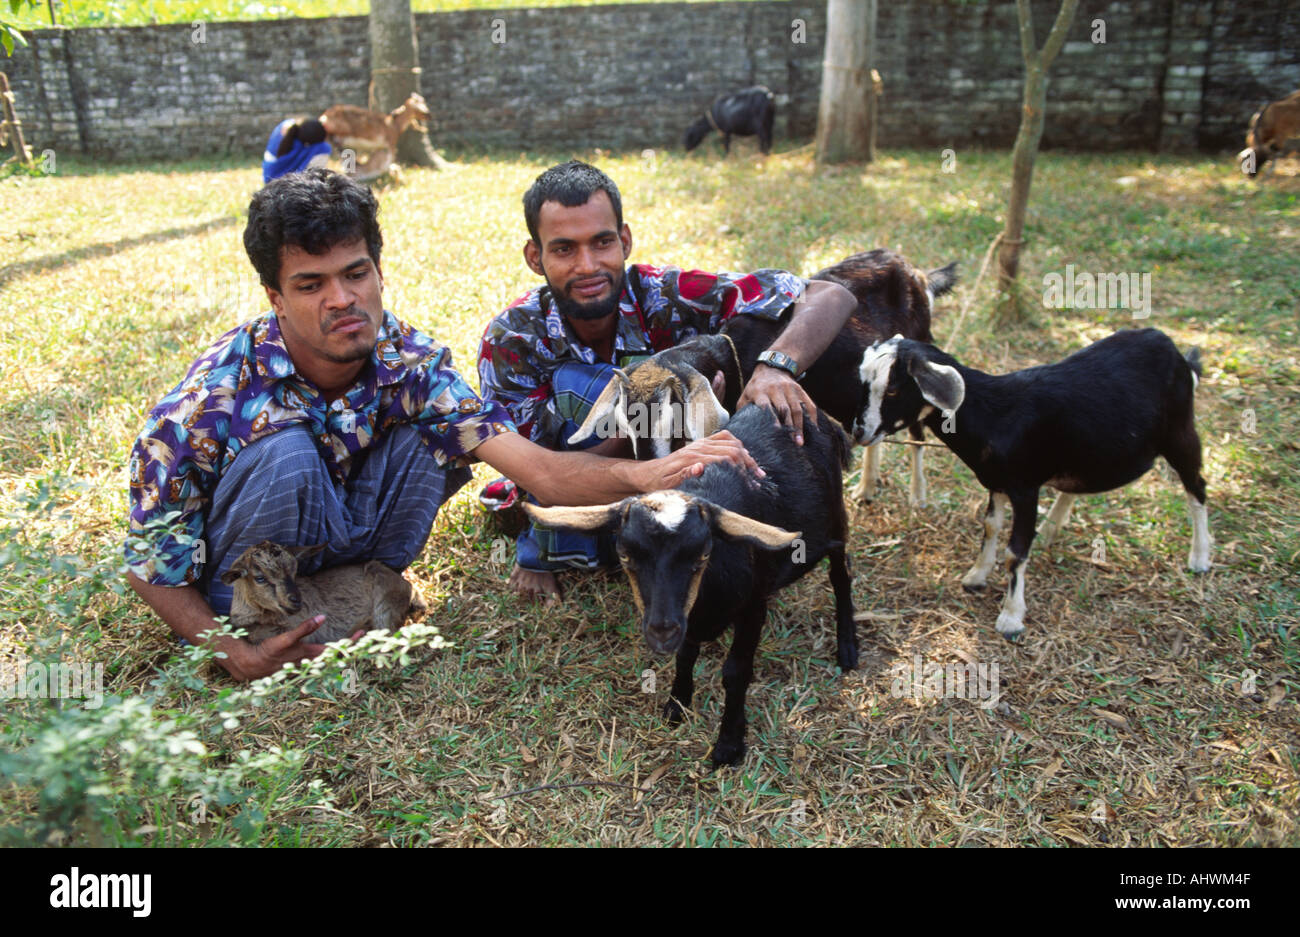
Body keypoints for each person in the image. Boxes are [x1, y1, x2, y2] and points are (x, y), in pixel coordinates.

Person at [126, 168, 761, 682]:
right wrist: (227, 652)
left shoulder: (411, 365)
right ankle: (264, 625)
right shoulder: (215, 397)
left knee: (436, 442)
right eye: (310, 284)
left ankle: (354, 596)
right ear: (275, 297)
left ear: (379, 272)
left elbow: (532, 466)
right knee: (285, 453)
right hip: (257, 575)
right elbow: (147, 557)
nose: (343, 300)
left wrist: (650, 472)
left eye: (355, 274)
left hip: (350, 551)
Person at [478, 160, 857, 602]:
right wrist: (649, 422)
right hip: (580, 478)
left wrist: (776, 366)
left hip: (691, 470)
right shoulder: (513, 339)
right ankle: (538, 546)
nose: (588, 266)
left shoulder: (665, 293)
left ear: (624, 240)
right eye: (563, 249)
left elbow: (829, 294)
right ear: (534, 257)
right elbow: (538, 471)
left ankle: (682, 539)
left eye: (602, 242)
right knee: (576, 544)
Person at [261, 117, 332, 184]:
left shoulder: (286, 129)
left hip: (269, 178)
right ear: (307, 144)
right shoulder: (315, 148)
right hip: (288, 185)